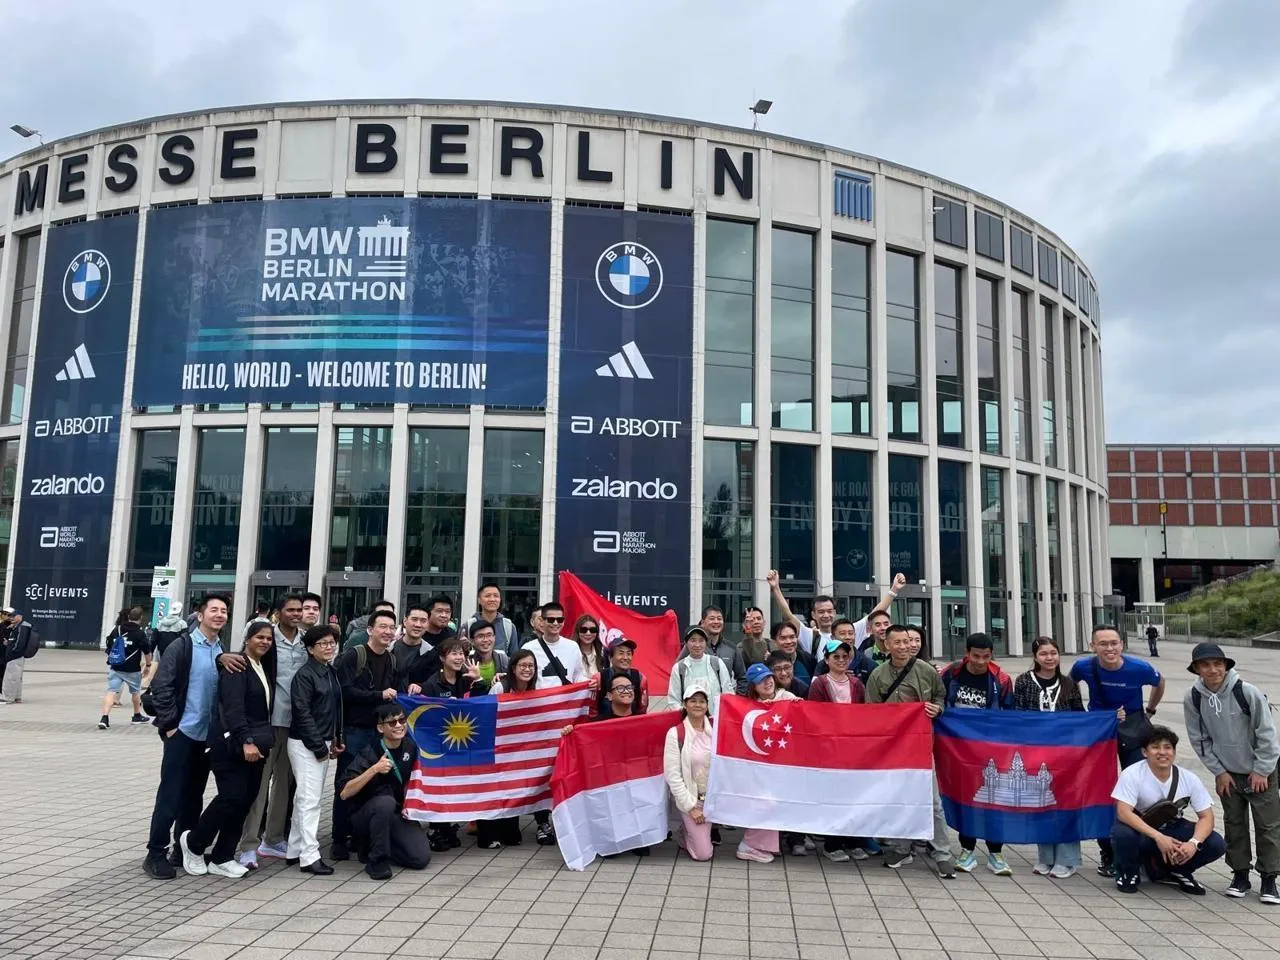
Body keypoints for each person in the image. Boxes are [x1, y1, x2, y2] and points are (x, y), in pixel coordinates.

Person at [143, 594, 246, 879]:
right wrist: (170, 725)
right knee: (171, 794)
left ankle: (181, 848)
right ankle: (155, 852)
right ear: (200, 615)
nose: (219, 614)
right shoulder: (182, 646)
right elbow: (162, 686)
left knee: (193, 796)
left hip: (207, 738)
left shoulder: (220, 649)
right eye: (213, 610)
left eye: (224, 611)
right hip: (183, 733)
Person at [179, 620, 276, 879]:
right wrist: (246, 740)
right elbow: (232, 708)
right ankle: (194, 843)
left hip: (259, 744)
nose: (265, 642)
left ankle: (222, 855)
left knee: (245, 800)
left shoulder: (262, 665)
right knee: (231, 797)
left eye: (268, 638)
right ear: (247, 638)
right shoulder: (237, 666)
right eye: (259, 637)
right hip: (232, 745)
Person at [1184, 642, 1280, 903]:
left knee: (1268, 825)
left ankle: (1270, 878)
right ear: (1196, 669)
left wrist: (1262, 770)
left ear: (1225, 666)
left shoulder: (1246, 692)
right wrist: (1218, 771)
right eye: (1205, 665)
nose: (1213, 669)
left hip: (1260, 771)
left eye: (1218, 664)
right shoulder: (1193, 697)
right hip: (1227, 773)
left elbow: (1267, 734)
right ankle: (1240, 874)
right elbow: (1199, 738)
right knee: (1234, 824)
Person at [1070, 624, 1166, 877]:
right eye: (1103, 644)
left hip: (1133, 730)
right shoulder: (1084, 667)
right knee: (1102, 792)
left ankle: (1141, 848)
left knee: (1137, 790)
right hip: (1101, 732)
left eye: (1114, 643)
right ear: (1093, 647)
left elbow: (1160, 682)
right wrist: (1083, 716)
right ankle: (1108, 852)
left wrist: (1151, 710)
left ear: (1121, 644)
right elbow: (1069, 686)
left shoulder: (1139, 668)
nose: (1109, 648)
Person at [865, 624, 956, 878]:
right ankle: (901, 847)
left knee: (933, 802)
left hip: (921, 746)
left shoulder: (926, 671)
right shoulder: (877, 676)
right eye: (898, 643)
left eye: (907, 642)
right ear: (887, 645)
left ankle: (942, 854)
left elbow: (940, 696)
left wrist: (937, 709)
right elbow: (871, 712)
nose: (904, 647)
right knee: (898, 800)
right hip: (892, 750)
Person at [663, 682, 778, 863]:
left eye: (702, 701)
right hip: (696, 802)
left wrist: (790, 702)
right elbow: (672, 776)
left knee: (767, 802)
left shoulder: (716, 729)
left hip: (720, 797)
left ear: (707, 705)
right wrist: (691, 807)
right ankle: (685, 833)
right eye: (693, 701)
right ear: (685, 704)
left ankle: (752, 845)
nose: (698, 705)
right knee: (703, 855)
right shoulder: (676, 734)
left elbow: (746, 720)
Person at [236, 593, 309, 869]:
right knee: (258, 785)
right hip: (267, 722)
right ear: (279, 612)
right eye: (290, 609)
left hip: (295, 723)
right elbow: (243, 658)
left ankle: (274, 838)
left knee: (284, 785)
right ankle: (248, 845)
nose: (296, 614)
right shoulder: (267, 639)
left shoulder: (305, 641)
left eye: (299, 610)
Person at [1110, 726, 1226, 895]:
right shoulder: (1132, 774)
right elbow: (1123, 812)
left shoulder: (1189, 778)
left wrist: (1193, 843)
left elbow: (1206, 816)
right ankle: (1129, 872)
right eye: (1155, 747)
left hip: (1172, 827)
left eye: (1167, 747)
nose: (1162, 752)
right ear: (1144, 752)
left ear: (1174, 752)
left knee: (1215, 843)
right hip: (1142, 828)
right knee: (1123, 834)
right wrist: (1158, 837)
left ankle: (1178, 870)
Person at [939, 633, 1014, 876]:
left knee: (994, 799)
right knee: (966, 798)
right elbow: (938, 701)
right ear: (967, 653)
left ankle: (996, 853)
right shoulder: (951, 674)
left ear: (991, 655)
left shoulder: (1001, 679)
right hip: (959, 748)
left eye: (985, 656)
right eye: (975, 656)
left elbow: (1011, 714)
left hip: (991, 749)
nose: (980, 661)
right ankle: (967, 850)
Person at [331, 609, 403, 861]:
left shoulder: (392, 659)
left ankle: (358, 835)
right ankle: (338, 838)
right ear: (369, 630)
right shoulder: (354, 655)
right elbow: (344, 691)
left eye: (391, 627)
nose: (387, 631)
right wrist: (378, 695)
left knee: (373, 783)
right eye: (382, 626)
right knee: (346, 782)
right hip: (354, 731)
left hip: (378, 732)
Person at [1012, 636, 1085, 878]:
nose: (1049, 658)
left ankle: (1067, 859)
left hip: (1065, 754)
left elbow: (1079, 717)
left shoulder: (1069, 683)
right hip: (1036, 752)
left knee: (1065, 803)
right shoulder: (1024, 681)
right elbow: (1018, 716)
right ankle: (1046, 857)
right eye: (1044, 653)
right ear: (1035, 657)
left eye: (1053, 652)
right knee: (1042, 803)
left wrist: (1107, 720)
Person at [338, 703, 432, 880]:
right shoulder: (369, 751)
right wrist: (374, 769)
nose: (398, 725)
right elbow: (344, 793)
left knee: (420, 858)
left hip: (395, 813)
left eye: (401, 720)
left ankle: (371, 846)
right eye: (392, 722)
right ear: (380, 728)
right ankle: (376, 860)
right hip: (365, 815)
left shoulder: (410, 747)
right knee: (384, 802)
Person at [287, 624, 344, 875]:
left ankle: (295, 848)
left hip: (323, 741)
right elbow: (302, 713)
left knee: (305, 797)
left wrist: (336, 738)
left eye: (332, 642)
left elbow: (335, 708)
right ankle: (309, 856)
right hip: (305, 743)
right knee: (311, 800)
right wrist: (319, 746)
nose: (329, 647)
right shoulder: (305, 675)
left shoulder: (329, 670)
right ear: (310, 649)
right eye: (323, 643)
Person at [768, 569, 905, 663]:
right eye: (821, 612)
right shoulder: (810, 636)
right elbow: (788, 614)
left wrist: (894, 590)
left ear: (834, 612)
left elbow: (875, 614)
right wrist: (775, 588)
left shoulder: (850, 630)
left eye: (829, 611)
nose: (826, 615)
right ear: (813, 615)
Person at [480, 648, 540, 849]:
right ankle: (488, 833)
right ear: (513, 668)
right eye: (523, 665)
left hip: (520, 750)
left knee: (512, 789)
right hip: (497, 747)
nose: (527, 669)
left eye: (531, 666)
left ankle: (509, 827)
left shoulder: (537, 689)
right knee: (494, 789)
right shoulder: (500, 688)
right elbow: (485, 713)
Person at [99, 607, 152, 729]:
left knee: (111, 691)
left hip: (116, 666)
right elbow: (147, 652)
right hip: (132, 668)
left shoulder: (117, 629)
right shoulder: (139, 633)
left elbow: (109, 644)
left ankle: (104, 718)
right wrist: (148, 665)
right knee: (135, 691)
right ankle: (137, 715)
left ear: (129, 617)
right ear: (141, 618)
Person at [682, 606, 747, 695]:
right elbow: (679, 673)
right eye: (712, 618)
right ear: (703, 622)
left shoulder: (731, 648)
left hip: (724, 704)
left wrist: (737, 699)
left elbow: (742, 677)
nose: (716, 622)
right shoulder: (693, 647)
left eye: (719, 619)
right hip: (698, 703)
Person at [667, 626, 733, 714]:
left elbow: (728, 693)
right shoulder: (679, 668)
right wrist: (687, 716)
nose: (697, 645)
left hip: (715, 720)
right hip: (689, 721)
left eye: (701, 640)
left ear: (706, 643)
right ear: (686, 643)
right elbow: (674, 701)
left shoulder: (717, 663)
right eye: (693, 640)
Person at [522, 601, 587, 690]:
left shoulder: (573, 647)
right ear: (542, 621)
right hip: (539, 701)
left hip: (566, 701)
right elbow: (521, 676)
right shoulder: (528, 648)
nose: (556, 623)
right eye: (551, 620)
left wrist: (590, 683)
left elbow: (578, 677)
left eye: (560, 620)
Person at [462, 583, 522, 657]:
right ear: (479, 600)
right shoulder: (468, 626)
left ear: (500, 600)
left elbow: (514, 658)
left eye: (496, 596)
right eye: (487, 596)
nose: (492, 599)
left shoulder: (508, 626)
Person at [419, 637, 489, 698]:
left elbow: (480, 702)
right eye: (454, 654)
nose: (459, 658)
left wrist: (477, 679)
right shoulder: (431, 685)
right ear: (442, 658)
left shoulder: (466, 678)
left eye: (461, 653)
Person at [597, 637, 648, 715]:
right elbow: (592, 710)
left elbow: (642, 708)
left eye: (628, 654)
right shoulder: (599, 678)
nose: (625, 658)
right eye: (621, 653)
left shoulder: (640, 678)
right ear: (610, 657)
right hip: (605, 724)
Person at [807, 638, 866, 705]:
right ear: (826, 660)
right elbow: (813, 711)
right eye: (836, 657)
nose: (841, 660)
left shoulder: (857, 684)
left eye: (845, 656)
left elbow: (862, 710)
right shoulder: (818, 684)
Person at [391, 604, 437, 680]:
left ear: (428, 624)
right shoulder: (389, 648)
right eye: (414, 619)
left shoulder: (431, 653)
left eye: (423, 621)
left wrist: (420, 686)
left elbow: (432, 681)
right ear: (405, 621)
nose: (418, 625)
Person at [0, 610, 35, 703]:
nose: (11, 618)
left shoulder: (22, 627)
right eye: (10, 616)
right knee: (17, 678)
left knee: (10, 678)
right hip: (16, 656)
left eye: (13, 616)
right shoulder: (18, 626)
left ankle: (7, 697)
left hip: (14, 656)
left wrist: (12, 651)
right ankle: (16, 697)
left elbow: (20, 642)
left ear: (20, 616)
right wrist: (8, 643)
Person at [850, 610, 893, 684]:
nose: (883, 628)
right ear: (870, 630)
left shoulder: (900, 652)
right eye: (878, 625)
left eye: (886, 624)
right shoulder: (864, 656)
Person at [465, 620, 509, 689]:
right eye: (480, 636)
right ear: (472, 641)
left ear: (494, 637)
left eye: (489, 635)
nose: (485, 640)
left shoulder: (503, 660)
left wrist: (505, 676)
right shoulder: (466, 663)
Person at [770, 621, 816, 685]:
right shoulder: (769, 663)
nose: (788, 641)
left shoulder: (808, 659)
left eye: (792, 637)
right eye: (783, 638)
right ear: (773, 641)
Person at [571, 614, 605, 681]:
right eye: (584, 630)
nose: (588, 633)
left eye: (592, 630)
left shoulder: (604, 653)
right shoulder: (570, 652)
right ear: (577, 631)